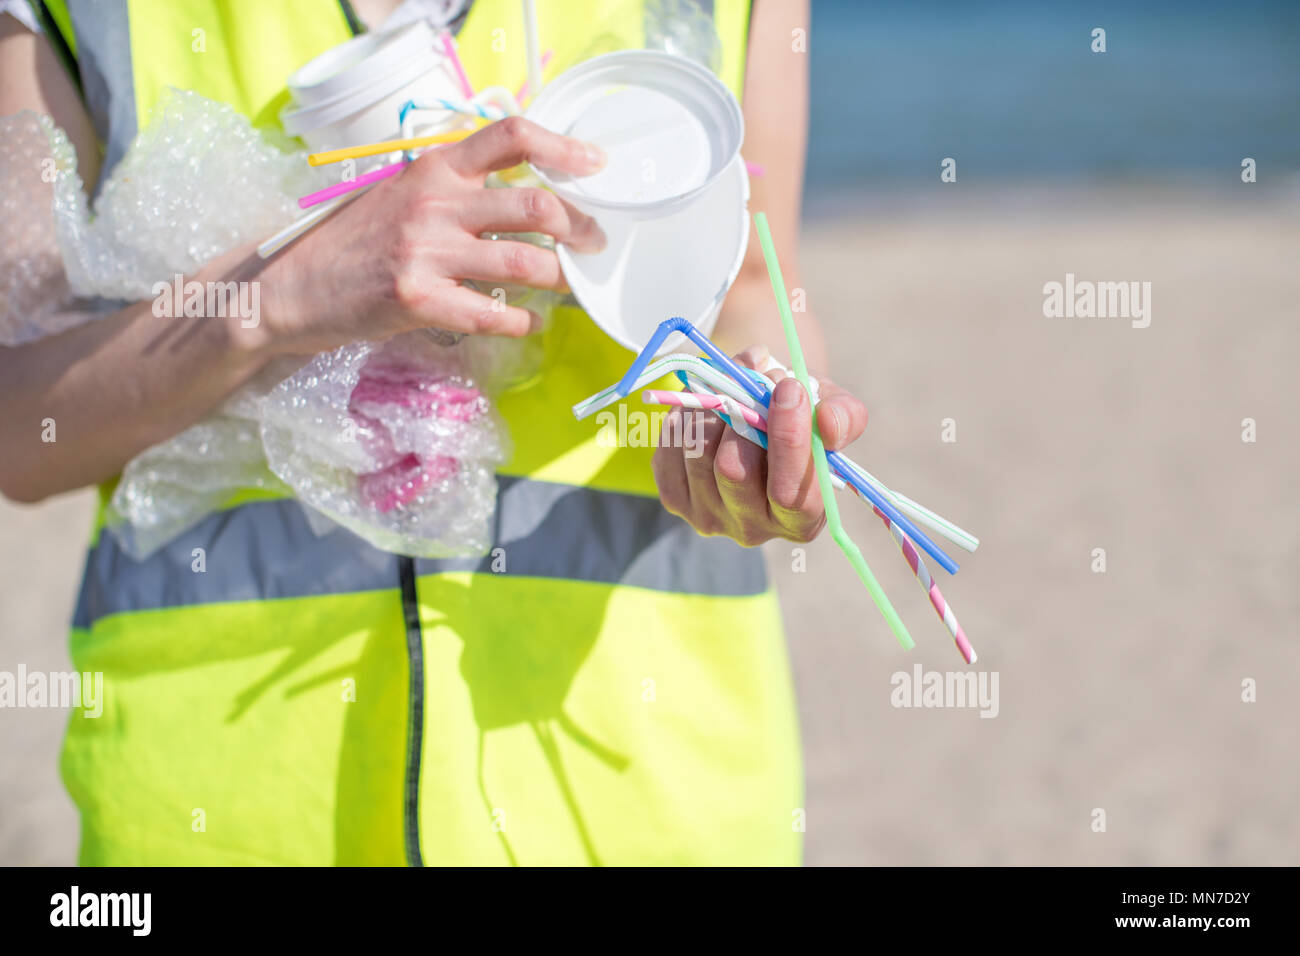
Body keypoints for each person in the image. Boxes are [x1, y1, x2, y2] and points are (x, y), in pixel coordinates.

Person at [0, 0, 868, 865]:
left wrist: (753, 423)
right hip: (236, 804)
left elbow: (754, 281)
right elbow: (21, 427)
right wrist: (282, 293)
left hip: (646, 791)